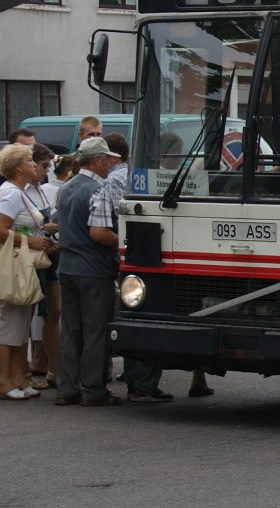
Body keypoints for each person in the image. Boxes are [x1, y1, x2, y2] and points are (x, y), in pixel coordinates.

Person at [92, 133, 173, 403]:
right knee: (152, 313)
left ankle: (136, 379)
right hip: (151, 250)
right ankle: (142, 383)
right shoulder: (153, 176)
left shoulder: (119, 179)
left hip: (136, 253)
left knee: (136, 312)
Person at [54, 136, 124, 406]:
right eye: (107, 158)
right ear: (96, 160)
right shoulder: (99, 189)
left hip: (68, 267)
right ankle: (94, 390)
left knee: (71, 330)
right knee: (95, 330)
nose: (110, 162)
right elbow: (98, 233)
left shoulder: (66, 187)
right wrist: (124, 240)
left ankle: (66, 388)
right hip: (93, 269)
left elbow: (58, 223)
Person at [0, 143, 56, 401]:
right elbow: (1, 229)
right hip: (14, 265)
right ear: (18, 166)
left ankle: (17, 377)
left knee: (19, 324)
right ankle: (4, 380)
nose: (35, 164)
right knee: (9, 325)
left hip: (23, 265)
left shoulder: (18, 192)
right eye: (30, 160)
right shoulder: (11, 193)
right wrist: (30, 242)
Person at [26, 143, 61, 392]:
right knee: (25, 315)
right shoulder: (18, 191)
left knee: (54, 311)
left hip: (48, 255)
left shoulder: (40, 190)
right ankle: (22, 371)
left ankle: (54, 369)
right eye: (43, 166)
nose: (46, 171)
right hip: (31, 256)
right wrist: (42, 231)